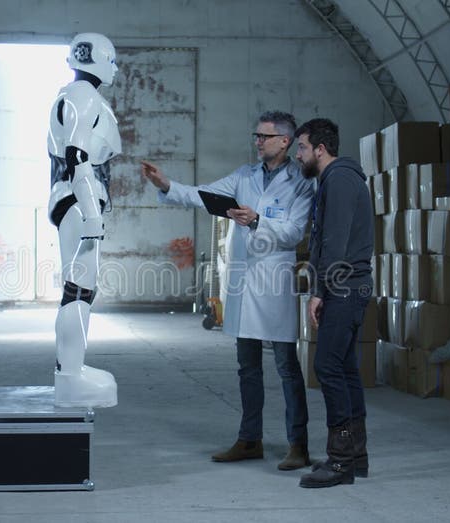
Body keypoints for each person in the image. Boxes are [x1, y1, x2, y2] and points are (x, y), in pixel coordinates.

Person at [140, 111, 315, 470]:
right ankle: (249, 439)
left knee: (286, 366)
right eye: (256, 136)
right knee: (247, 367)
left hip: (274, 279)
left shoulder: (301, 183)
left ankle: (298, 444)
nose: (258, 141)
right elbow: (202, 195)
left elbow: (296, 231)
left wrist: (259, 221)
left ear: (285, 141)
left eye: (264, 136)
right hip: (242, 279)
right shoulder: (243, 176)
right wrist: (166, 184)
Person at [293, 118, 374, 488]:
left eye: (302, 148)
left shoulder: (339, 180)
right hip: (349, 286)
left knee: (326, 366)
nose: (299, 155)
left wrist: (319, 291)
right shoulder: (335, 179)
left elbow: (335, 242)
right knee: (344, 368)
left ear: (320, 149)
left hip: (344, 287)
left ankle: (341, 461)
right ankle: (355, 456)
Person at [46, 33, 122, 408]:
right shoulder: (84, 97)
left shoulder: (71, 93)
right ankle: (71, 378)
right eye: (113, 61)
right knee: (79, 290)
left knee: (77, 291)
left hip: (72, 198)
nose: (116, 68)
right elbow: (78, 156)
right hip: (79, 199)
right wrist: (92, 212)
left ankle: (70, 372)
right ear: (101, 59)